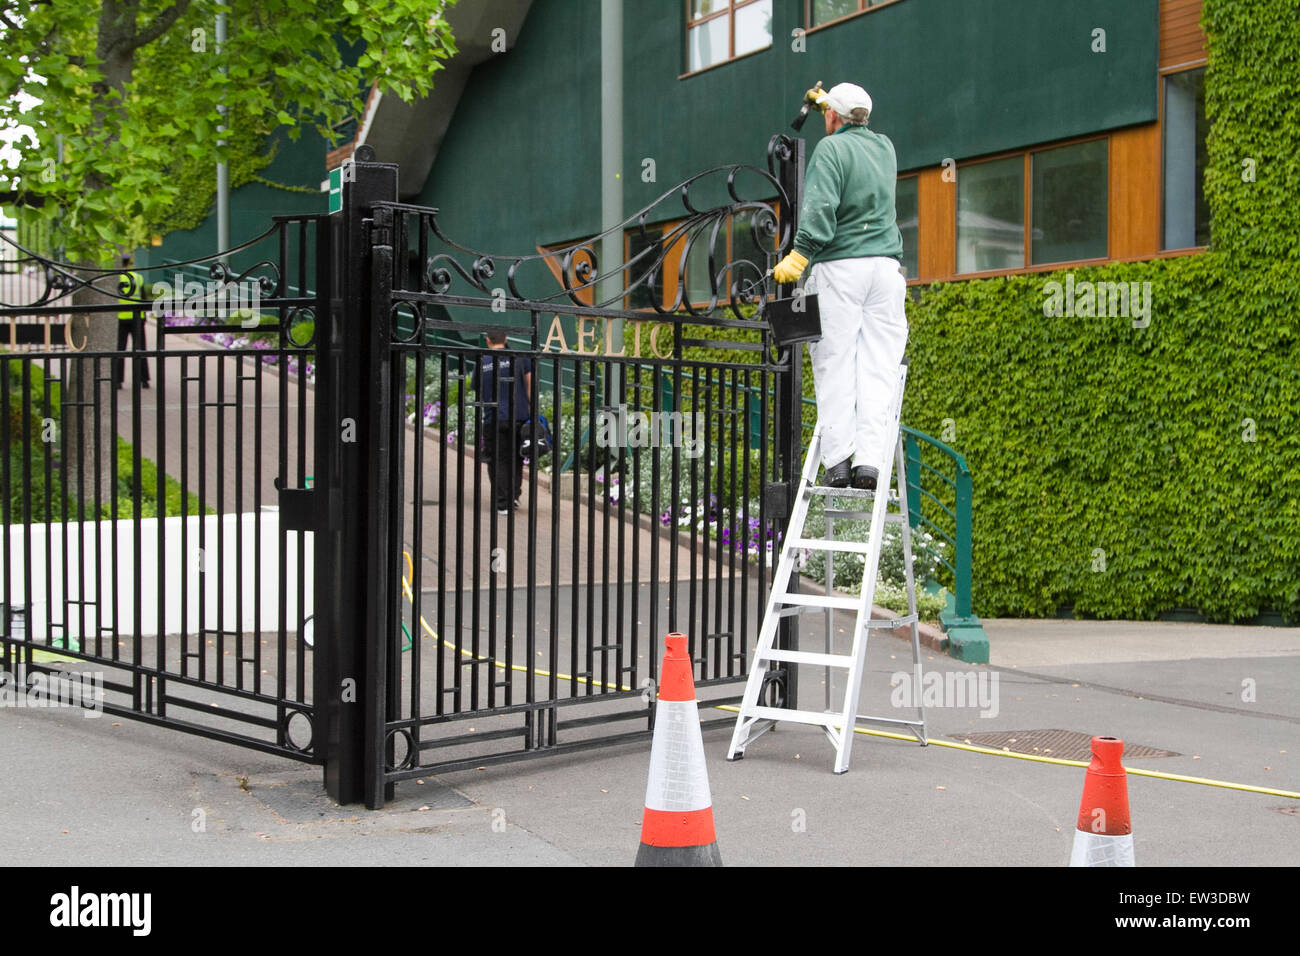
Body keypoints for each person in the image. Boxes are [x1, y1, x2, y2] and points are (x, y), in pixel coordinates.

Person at [772, 82, 907, 490]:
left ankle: (837, 462)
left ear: (832, 116)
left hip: (842, 269)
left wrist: (799, 255)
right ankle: (869, 462)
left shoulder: (830, 150)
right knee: (878, 367)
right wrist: (829, 104)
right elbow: (853, 139)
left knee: (835, 361)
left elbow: (821, 206)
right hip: (886, 271)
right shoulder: (885, 148)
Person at [472, 331, 533, 514]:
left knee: (497, 459)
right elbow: (530, 383)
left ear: (488, 340)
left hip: (494, 416)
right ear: (505, 339)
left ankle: (502, 502)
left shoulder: (482, 361)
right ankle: (513, 496)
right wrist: (527, 405)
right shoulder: (520, 358)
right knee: (516, 457)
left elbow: (478, 388)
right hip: (519, 415)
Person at [113, 254, 151, 389]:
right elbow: (144, 298)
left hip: (120, 318)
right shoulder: (137, 277)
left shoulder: (115, 278)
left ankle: (117, 381)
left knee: (119, 350)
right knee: (140, 349)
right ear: (129, 263)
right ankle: (144, 380)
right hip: (137, 318)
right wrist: (145, 316)